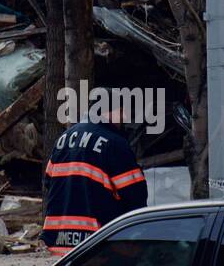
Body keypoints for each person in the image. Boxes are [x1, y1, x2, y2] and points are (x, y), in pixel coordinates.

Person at [42, 101, 147, 255]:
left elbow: (48, 182)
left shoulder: (64, 138)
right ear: (107, 112)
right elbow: (135, 194)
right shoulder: (115, 143)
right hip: (96, 239)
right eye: (121, 112)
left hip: (59, 239)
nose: (124, 117)